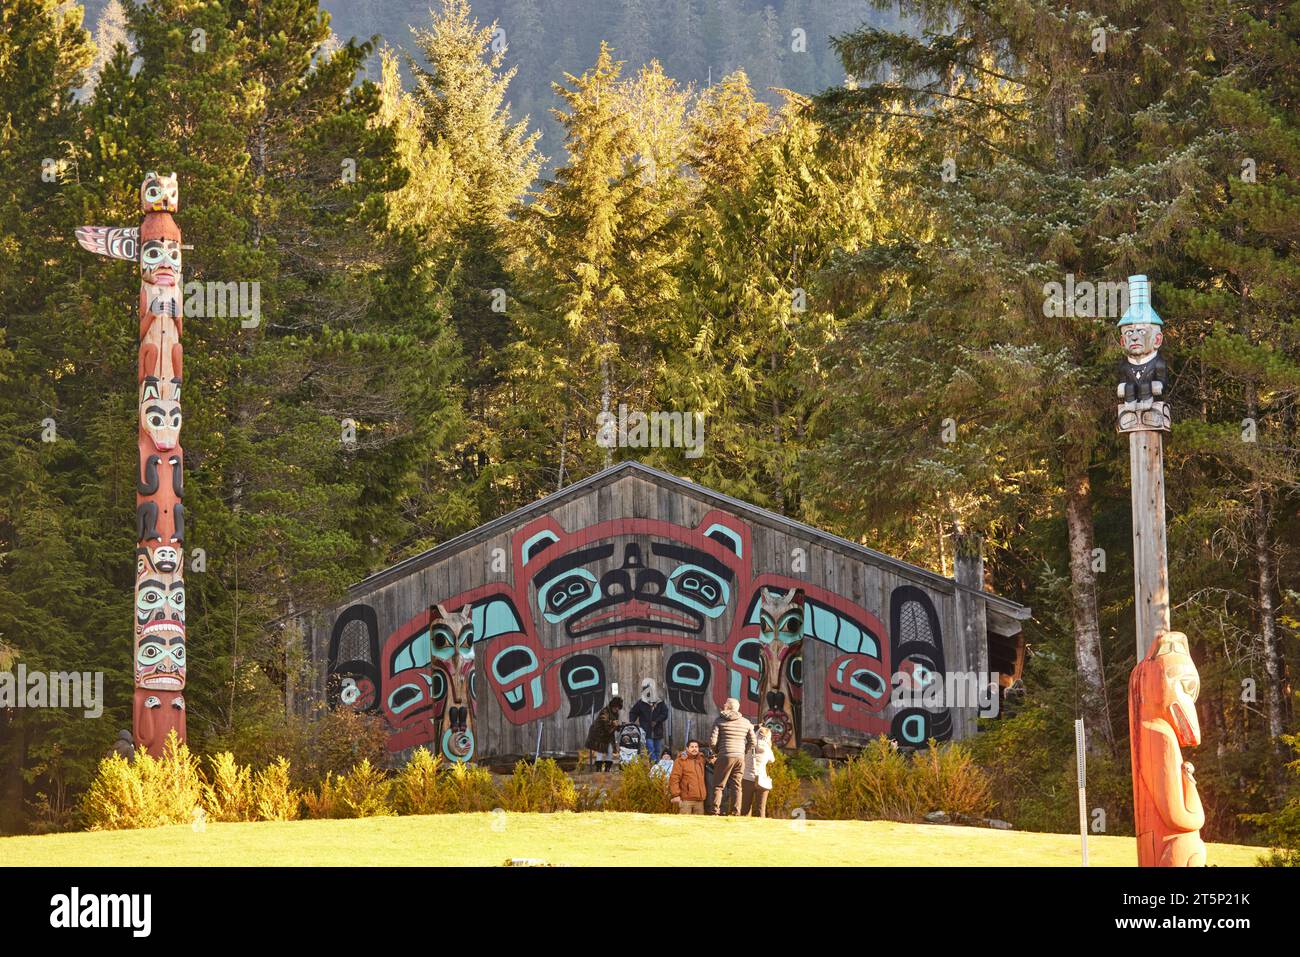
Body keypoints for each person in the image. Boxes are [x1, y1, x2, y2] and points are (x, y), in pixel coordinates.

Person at [707, 697, 755, 816]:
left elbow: (712, 741)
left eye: (725, 704)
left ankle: (715, 811)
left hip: (724, 755)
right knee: (737, 786)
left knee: (718, 785)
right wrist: (743, 752)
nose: (723, 704)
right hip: (739, 757)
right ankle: (735, 812)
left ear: (727, 707)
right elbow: (753, 742)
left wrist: (719, 752)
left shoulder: (719, 720)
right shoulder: (746, 722)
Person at [629, 677, 669, 761]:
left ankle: (657, 769)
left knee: (658, 750)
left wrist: (657, 720)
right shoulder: (641, 703)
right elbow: (633, 712)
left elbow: (665, 713)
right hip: (646, 731)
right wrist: (632, 721)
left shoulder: (660, 702)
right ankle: (655, 766)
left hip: (657, 731)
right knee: (650, 750)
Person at [741, 726, 775, 818]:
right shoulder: (768, 749)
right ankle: (761, 828)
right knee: (761, 808)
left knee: (745, 807)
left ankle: (743, 828)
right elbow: (772, 760)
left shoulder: (748, 746)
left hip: (747, 778)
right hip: (762, 779)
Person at [668, 739, 707, 813]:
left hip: (700, 799)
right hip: (686, 800)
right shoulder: (680, 761)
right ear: (687, 748)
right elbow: (674, 778)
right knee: (684, 822)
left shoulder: (701, 759)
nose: (694, 749)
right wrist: (676, 794)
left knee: (699, 823)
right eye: (692, 747)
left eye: (696, 747)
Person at [585, 696, 623, 771]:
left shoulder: (616, 713)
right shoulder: (605, 711)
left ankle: (607, 769)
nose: (617, 709)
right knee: (600, 751)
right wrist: (613, 723)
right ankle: (598, 769)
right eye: (616, 707)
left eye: (618, 707)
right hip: (599, 733)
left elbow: (614, 725)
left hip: (608, 734)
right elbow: (604, 722)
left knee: (610, 750)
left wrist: (618, 726)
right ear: (613, 706)